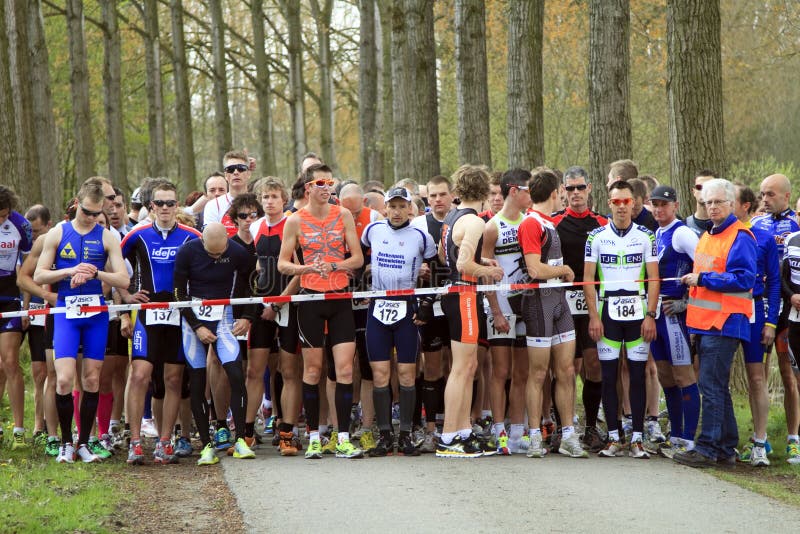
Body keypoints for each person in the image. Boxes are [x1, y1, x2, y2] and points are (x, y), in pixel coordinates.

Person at [33, 180, 129, 463]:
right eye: (87, 212)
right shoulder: (57, 233)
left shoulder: (107, 237)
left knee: (91, 379)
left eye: (97, 214)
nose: (91, 218)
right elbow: (38, 276)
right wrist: (69, 271)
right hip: (66, 313)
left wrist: (95, 274)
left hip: (96, 314)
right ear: (76, 203)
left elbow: (123, 279)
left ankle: (84, 443)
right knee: (63, 380)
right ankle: (65, 443)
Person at [278, 163, 365, 459]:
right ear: (308, 189)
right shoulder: (295, 221)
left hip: (339, 297)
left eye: (329, 183)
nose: (326, 188)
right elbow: (282, 264)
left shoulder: (342, 215)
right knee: (313, 370)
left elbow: (357, 258)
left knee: (344, 369)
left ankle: (342, 437)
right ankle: (314, 436)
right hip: (310, 300)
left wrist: (337, 265)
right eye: (320, 183)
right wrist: (305, 268)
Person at [673, 178, 757, 468]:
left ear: (731, 204)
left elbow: (745, 278)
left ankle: (708, 447)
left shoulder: (740, 236)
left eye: (718, 202)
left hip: (726, 322)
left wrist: (703, 279)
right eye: (708, 202)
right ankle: (725, 447)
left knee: (710, 385)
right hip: (706, 323)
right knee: (716, 386)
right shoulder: (709, 235)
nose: (712, 207)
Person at [120, 181, 201, 465]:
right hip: (148, 312)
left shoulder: (192, 236)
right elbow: (114, 265)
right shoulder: (137, 235)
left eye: (170, 203)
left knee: (173, 379)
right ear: (151, 207)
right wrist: (126, 298)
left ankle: (165, 441)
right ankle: (136, 442)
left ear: (177, 206)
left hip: (179, 315)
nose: (165, 208)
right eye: (160, 203)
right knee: (140, 374)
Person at [584, 180, 659, 459]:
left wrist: (651, 315)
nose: (622, 207)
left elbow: (653, 278)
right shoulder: (596, 237)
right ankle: (614, 437)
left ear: (634, 203)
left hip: (638, 311)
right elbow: (588, 280)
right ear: (609, 204)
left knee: (638, 374)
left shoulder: (645, 236)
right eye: (616, 202)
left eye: (626, 202)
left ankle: (638, 438)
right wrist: (594, 316)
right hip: (607, 311)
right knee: (608, 374)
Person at [174, 223, 258, 465]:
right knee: (197, 381)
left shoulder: (238, 252)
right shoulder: (187, 252)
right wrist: (197, 327)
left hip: (224, 318)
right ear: (203, 243)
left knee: (235, 373)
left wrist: (248, 316)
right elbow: (178, 293)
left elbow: (252, 283)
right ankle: (206, 446)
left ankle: (240, 440)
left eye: (220, 253)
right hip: (194, 319)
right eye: (212, 254)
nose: (217, 257)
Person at [517, 169, 587, 459]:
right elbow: (535, 269)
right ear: (555, 192)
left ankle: (568, 434)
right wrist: (564, 270)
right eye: (561, 191)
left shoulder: (549, 222)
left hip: (560, 302)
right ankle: (534, 436)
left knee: (567, 371)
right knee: (537, 373)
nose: (564, 196)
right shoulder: (532, 223)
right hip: (539, 303)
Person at [362, 187, 436, 456]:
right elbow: (360, 259)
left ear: (410, 209)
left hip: (407, 309)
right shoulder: (373, 231)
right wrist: (362, 279)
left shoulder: (421, 236)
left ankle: (405, 434)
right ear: (385, 209)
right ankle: (384, 435)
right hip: (378, 308)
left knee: (406, 373)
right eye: (391, 206)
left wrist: (427, 304)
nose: (395, 211)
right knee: (380, 374)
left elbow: (435, 269)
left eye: (401, 206)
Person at [435, 165, 503, 458]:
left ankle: (461, 431)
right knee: (462, 369)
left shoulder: (452, 216)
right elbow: (463, 263)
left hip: (460, 293)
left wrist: (481, 261)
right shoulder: (475, 222)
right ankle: (449, 437)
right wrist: (493, 271)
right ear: (485, 191)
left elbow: (443, 254)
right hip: (463, 293)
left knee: (470, 366)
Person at [551, 166, 607, 452]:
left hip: (592, 301)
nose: (575, 193)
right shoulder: (555, 223)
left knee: (593, 364)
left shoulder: (601, 223)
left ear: (589, 188)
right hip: (563, 302)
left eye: (580, 187)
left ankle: (590, 427)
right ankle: (564, 426)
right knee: (566, 368)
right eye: (570, 188)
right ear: (562, 191)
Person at [648, 186, 701, 458]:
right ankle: (676, 435)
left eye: (664, 205)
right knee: (665, 375)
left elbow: (705, 266)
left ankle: (689, 440)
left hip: (675, 314)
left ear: (676, 206)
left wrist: (688, 302)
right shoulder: (657, 233)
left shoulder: (682, 233)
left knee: (683, 375)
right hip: (656, 313)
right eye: (655, 204)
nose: (659, 209)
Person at [481, 169, 531, 454]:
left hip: (526, 303)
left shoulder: (531, 223)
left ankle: (516, 431)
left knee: (522, 372)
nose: (530, 195)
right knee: (500, 370)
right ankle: (499, 430)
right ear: (514, 190)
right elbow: (487, 275)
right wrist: (497, 312)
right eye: (527, 190)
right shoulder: (493, 227)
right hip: (500, 304)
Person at [251, 179, 302, 456]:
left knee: (289, 370)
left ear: (284, 200)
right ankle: (249, 430)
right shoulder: (257, 226)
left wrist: (280, 301)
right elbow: (256, 265)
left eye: (274, 197)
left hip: (289, 304)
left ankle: (287, 433)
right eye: (265, 197)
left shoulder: (293, 223)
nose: (269, 201)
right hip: (261, 305)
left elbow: (297, 270)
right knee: (256, 370)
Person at [752, 173, 800, 463]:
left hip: (789, 307)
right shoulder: (756, 223)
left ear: (785, 195)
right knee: (758, 371)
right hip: (764, 305)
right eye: (762, 194)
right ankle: (761, 439)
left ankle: (794, 437)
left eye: (770, 194)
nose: (765, 199)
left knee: (789, 374)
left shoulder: (795, 224)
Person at [735, 184, 779, 467]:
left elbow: (774, 281)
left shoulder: (763, 237)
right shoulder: (721, 235)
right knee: (716, 375)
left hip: (754, 311)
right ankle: (723, 439)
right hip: (726, 312)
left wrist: (772, 322)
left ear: (746, 206)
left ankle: (760, 443)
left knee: (756, 378)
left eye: (730, 202)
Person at [411, 175, 454, 452]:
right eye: (433, 196)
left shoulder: (461, 220)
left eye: (443, 195)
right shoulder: (419, 225)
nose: (438, 200)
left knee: (460, 367)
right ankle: (430, 429)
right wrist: (418, 273)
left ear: (452, 196)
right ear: (428, 200)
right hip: (428, 304)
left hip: (456, 302)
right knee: (433, 367)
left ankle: (455, 424)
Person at [0, 187, 33, 449]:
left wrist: (26, 305)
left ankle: (19, 431)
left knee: (10, 362)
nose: (2, 220)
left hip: (10, 297)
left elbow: (27, 268)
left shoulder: (20, 224)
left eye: (4, 215)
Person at [204, 151, 253, 235]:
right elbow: (211, 239)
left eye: (241, 168)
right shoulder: (213, 205)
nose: (236, 172)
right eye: (230, 169)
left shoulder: (260, 202)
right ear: (226, 175)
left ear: (248, 174)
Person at [685, 170, 717, 236]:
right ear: (694, 192)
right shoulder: (684, 227)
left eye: (709, 187)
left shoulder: (727, 226)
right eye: (699, 187)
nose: (704, 191)